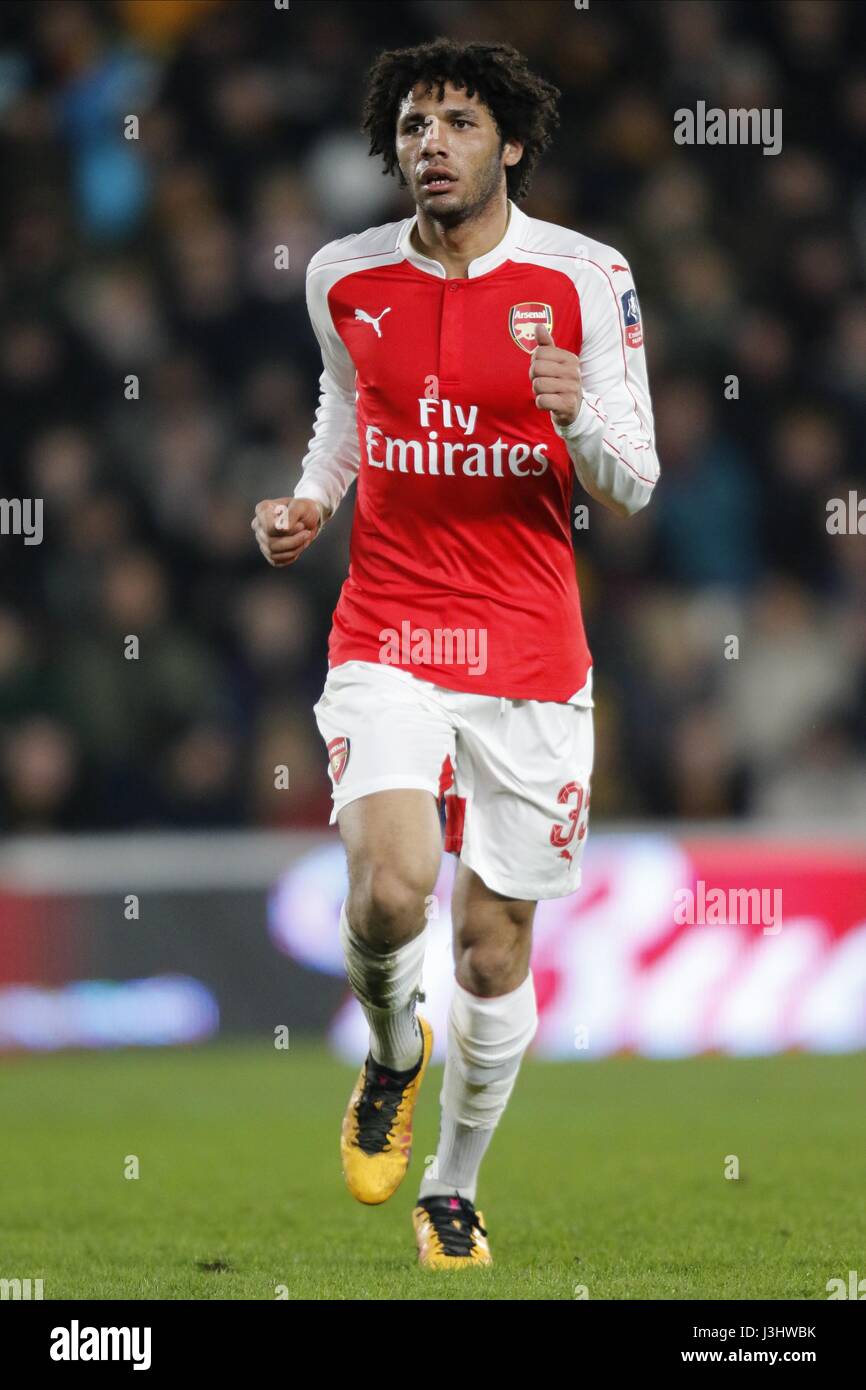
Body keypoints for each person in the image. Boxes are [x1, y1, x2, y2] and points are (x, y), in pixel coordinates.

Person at [252, 38, 660, 1269]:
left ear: (511, 144)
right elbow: (346, 411)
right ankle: (390, 1054)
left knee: (489, 942)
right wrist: (310, 499)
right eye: (415, 124)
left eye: (459, 124)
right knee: (387, 886)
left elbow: (633, 482)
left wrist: (572, 409)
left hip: (530, 649)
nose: (432, 143)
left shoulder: (587, 278)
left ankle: (453, 1186)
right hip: (390, 629)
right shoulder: (341, 275)